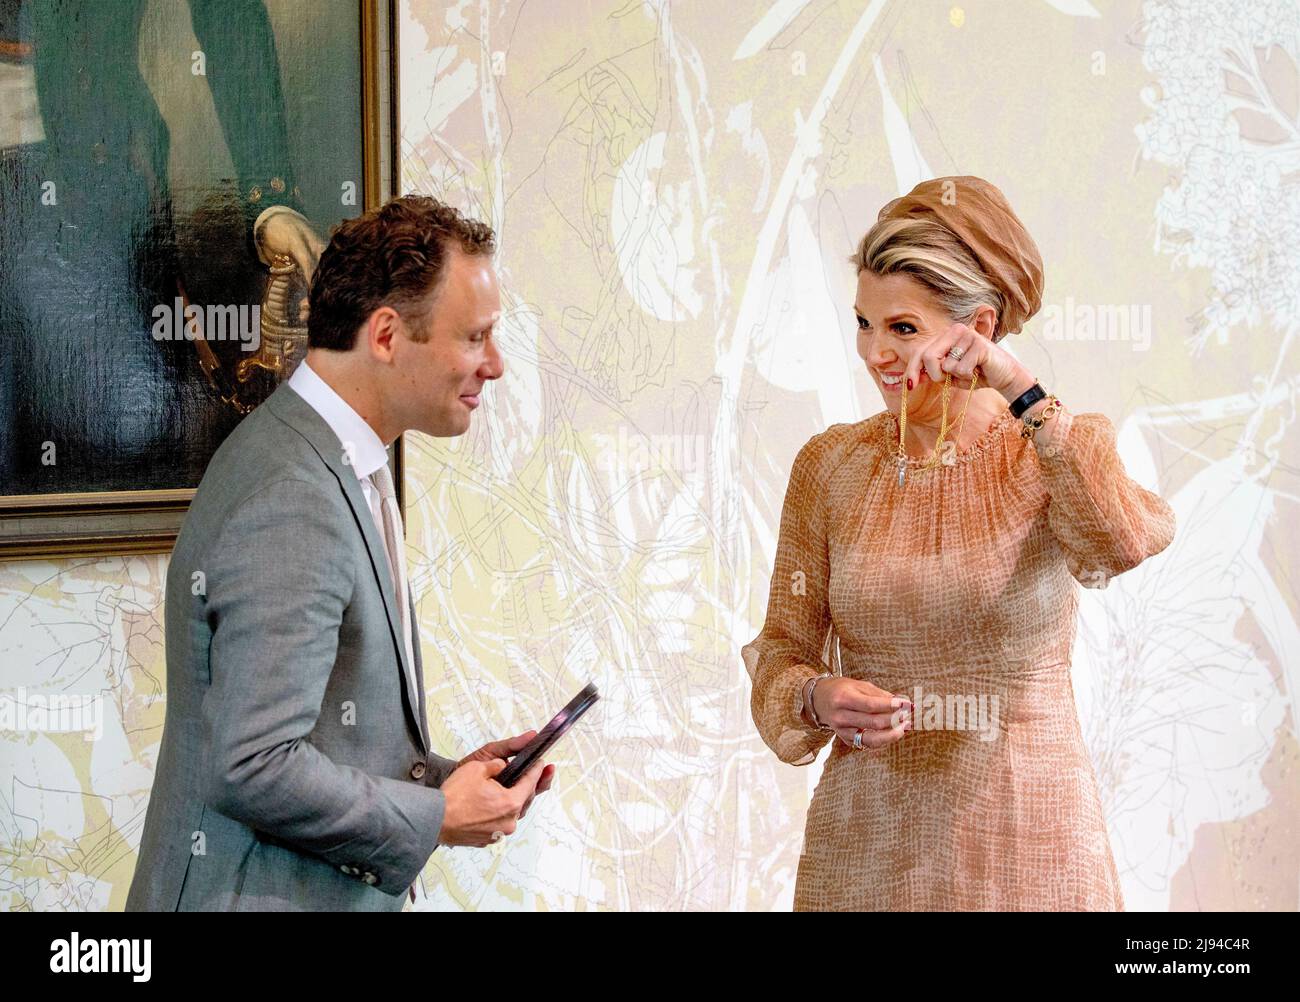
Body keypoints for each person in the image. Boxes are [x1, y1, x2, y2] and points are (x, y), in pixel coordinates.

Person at [742, 175, 1176, 911]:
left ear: (975, 327)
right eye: (863, 322)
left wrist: (1020, 390)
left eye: (902, 328)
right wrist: (816, 695)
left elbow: (1119, 543)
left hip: (1027, 843)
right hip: (869, 845)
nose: (875, 353)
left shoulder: (1048, 452)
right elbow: (782, 648)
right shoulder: (830, 469)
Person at [126, 195, 554, 911]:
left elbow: (318, 736)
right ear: (386, 335)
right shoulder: (294, 492)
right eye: (476, 337)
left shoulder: (322, 459)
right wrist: (437, 817)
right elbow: (254, 764)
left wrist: (443, 784)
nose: (498, 365)